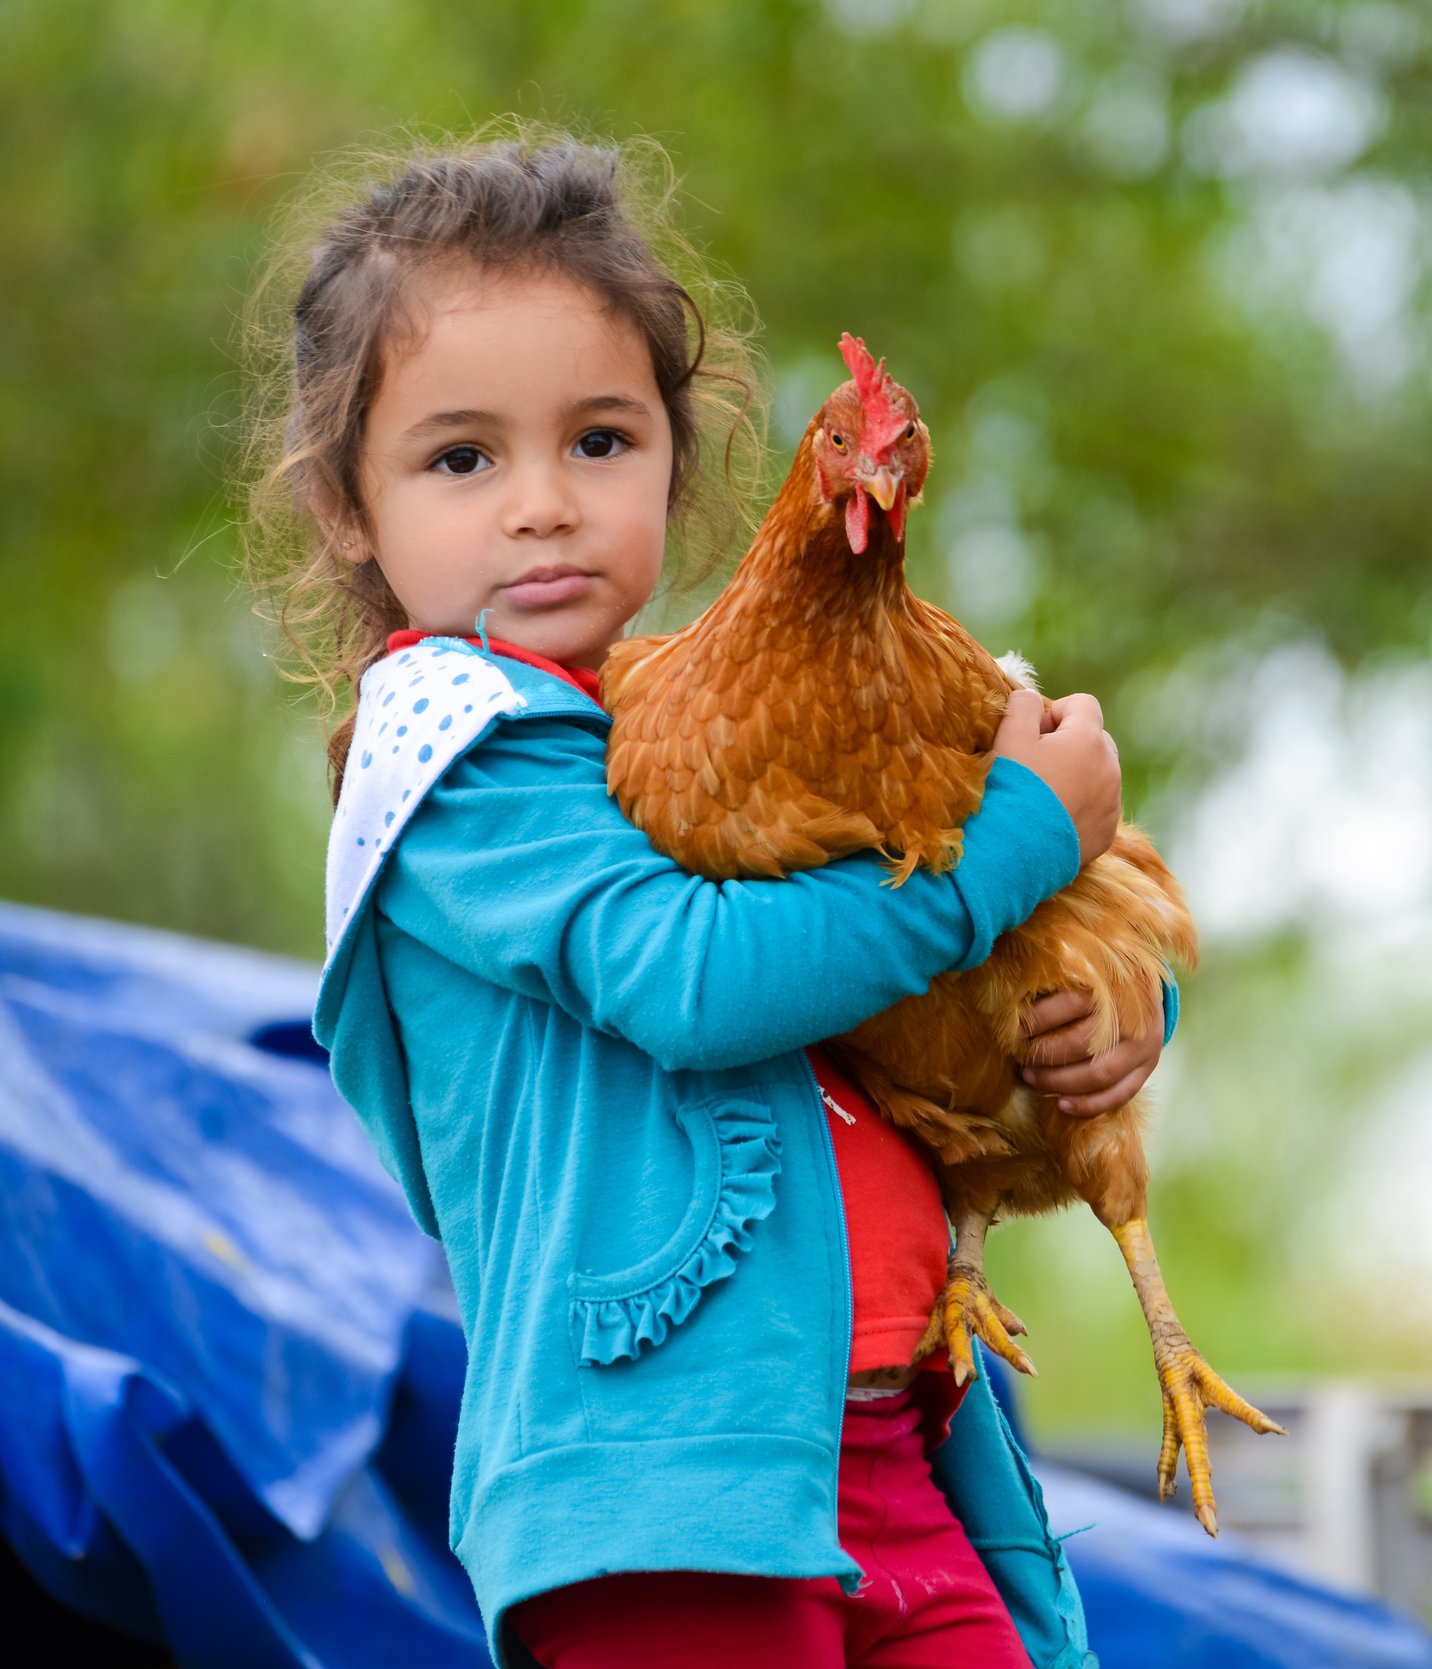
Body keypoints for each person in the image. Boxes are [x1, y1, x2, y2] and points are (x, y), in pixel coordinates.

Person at [249, 129, 1172, 1669]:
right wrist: (1022, 838)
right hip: (660, 1483)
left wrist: (1108, 1015)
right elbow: (692, 979)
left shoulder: (691, 732)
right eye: (463, 456)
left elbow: (959, 948)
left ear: (678, 462)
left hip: (886, 1450)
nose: (542, 504)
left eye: (600, 441)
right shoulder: (452, 760)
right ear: (348, 505)